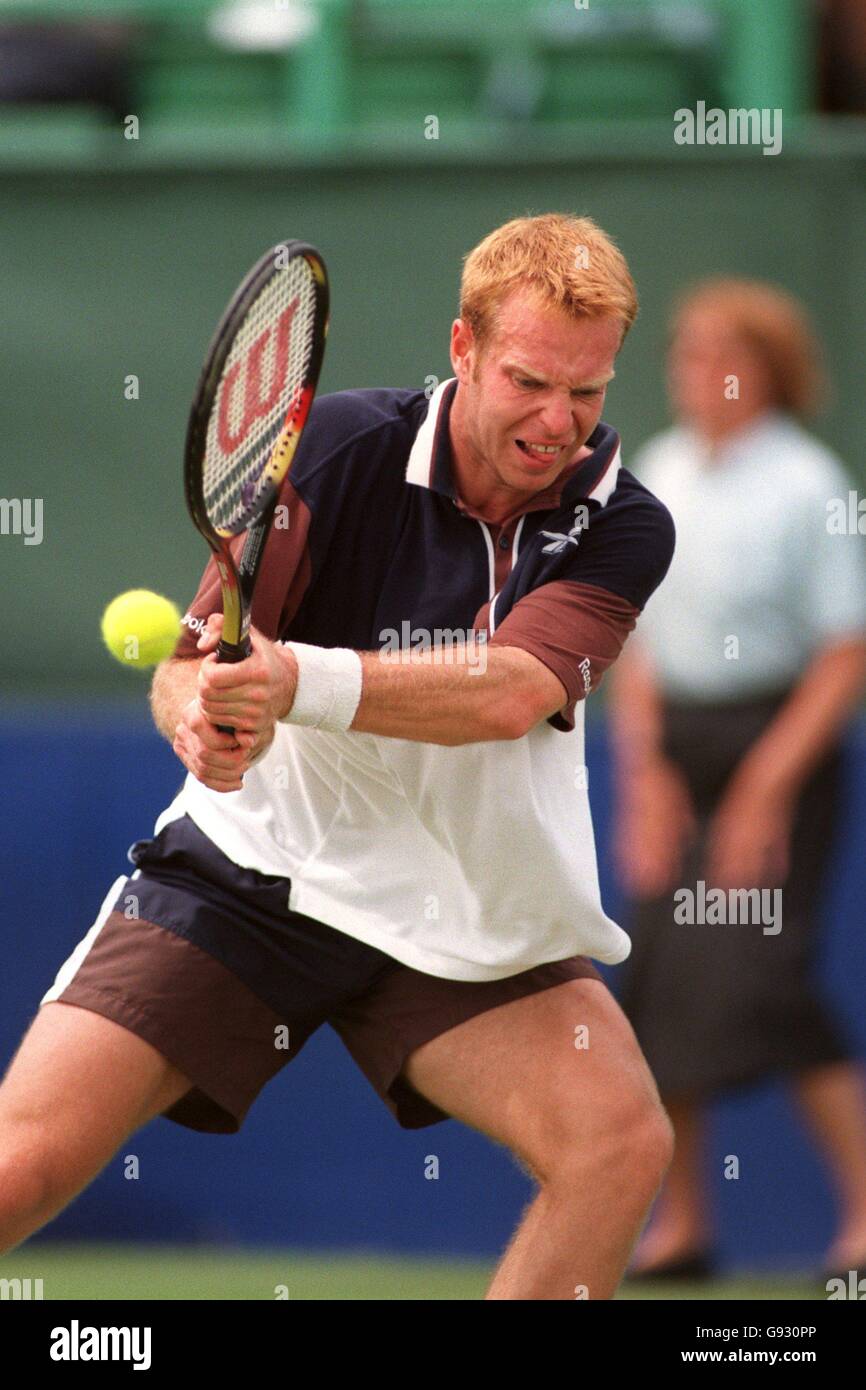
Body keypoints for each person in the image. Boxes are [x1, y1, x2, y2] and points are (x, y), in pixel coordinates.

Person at [0, 213, 676, 1301]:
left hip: (463, 905)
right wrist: (193, 717)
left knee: (617, 1143)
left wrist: (295, 684)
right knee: (18, 1167)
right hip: (251, 876)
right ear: (460, 349)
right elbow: (185, 662)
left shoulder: (623, 525)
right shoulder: (333, 449)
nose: (559, 421)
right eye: (527, 381)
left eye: (587, 393)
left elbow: (510, 692)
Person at [609, 278, 866, 1281]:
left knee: (763, 973)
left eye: (722, 351)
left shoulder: (809, 483)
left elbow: (843, 654)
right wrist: (643, 775)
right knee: (656, 978)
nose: (695, 370)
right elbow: (625, 637)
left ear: (765, 369)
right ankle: (681, 1227)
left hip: (779, 751)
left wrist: (762, 785)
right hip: (674, 753)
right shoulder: (654, 470)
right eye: (682, 349)